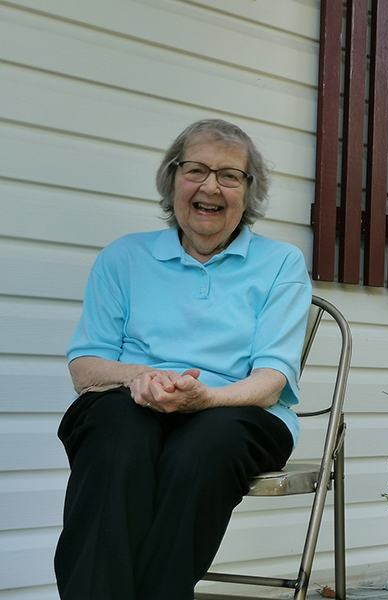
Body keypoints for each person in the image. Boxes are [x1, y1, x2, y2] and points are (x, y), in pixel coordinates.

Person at [54, 119, 312, 600]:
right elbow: (85, 367)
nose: (210, 186)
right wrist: (142, 377)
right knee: (116, 440)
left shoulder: (280, 263)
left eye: (229, 175)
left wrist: (204, 398)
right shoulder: (124, 257)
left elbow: (272, 380)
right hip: (130, 399)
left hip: (238, 409)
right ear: (172, 178)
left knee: (201, 449)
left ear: (248, 191)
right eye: (195, 170)